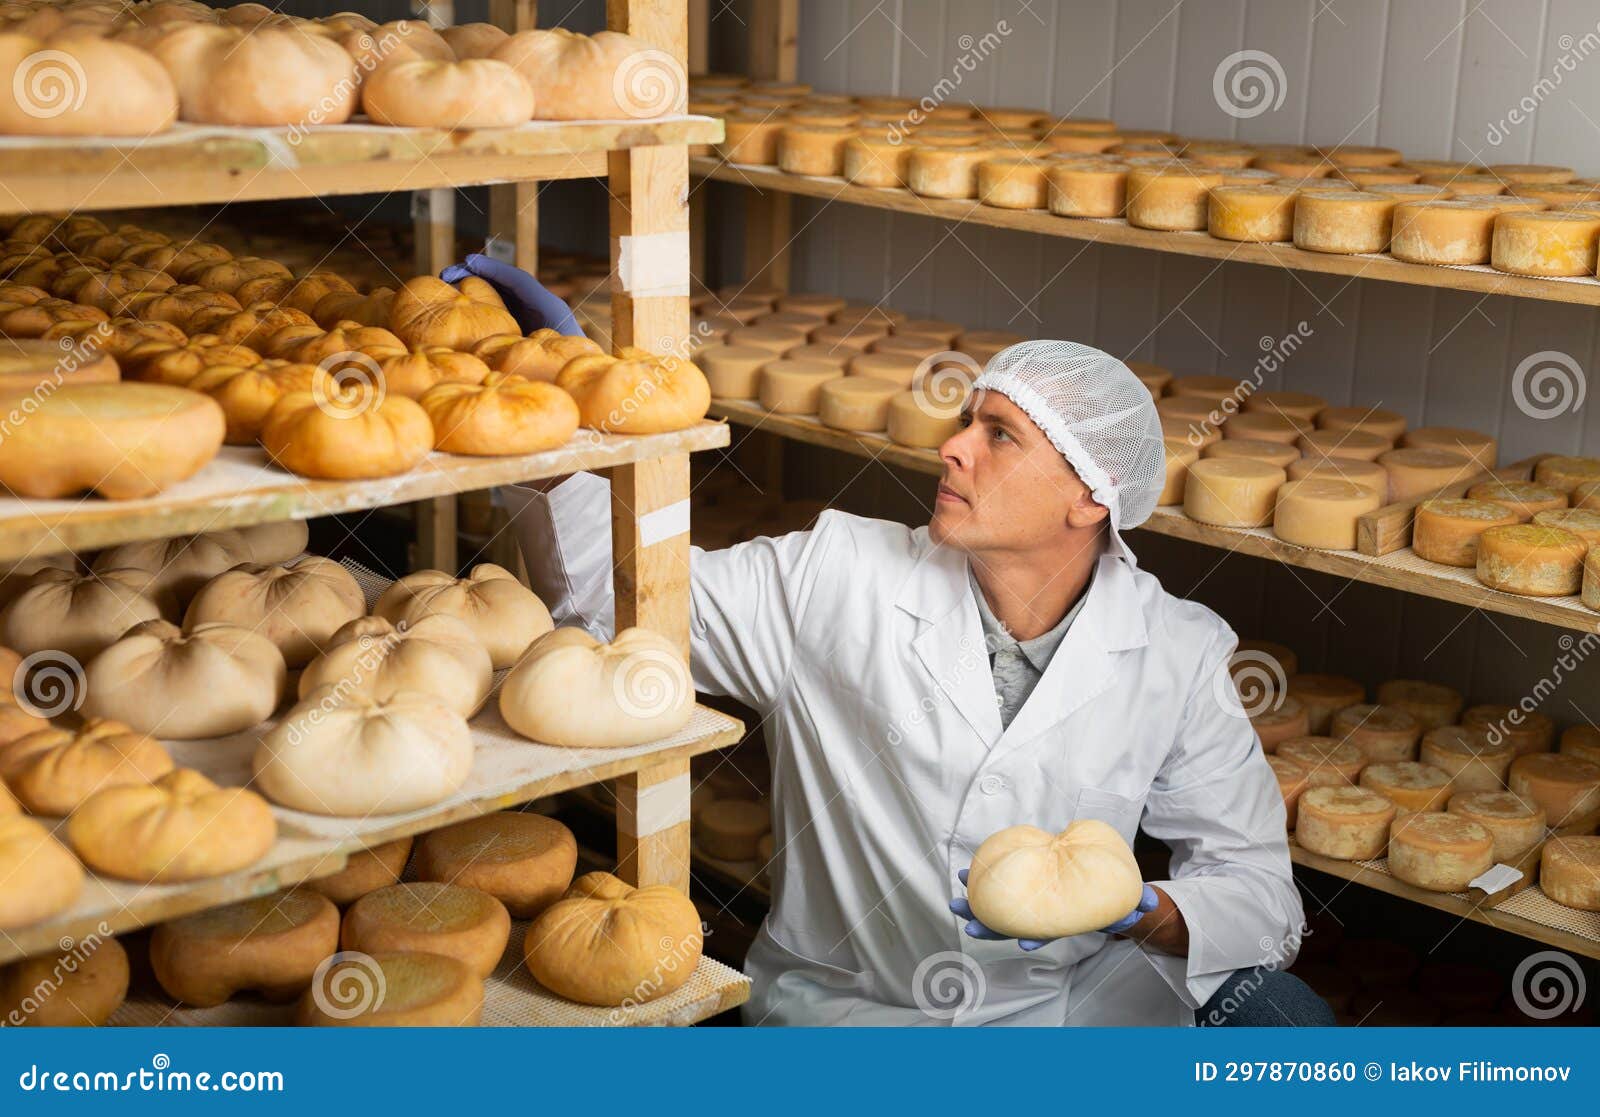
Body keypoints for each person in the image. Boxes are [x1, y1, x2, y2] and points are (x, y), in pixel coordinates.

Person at [449, 255, 1331, 1028]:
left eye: (999, 436)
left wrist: (1138, 909)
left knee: (1282, 1017)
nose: (951, 449)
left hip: (1068, 1015)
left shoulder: (1173, 648)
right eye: (965, 422)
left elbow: (1261, 899)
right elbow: (610, 604)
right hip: (856, 1012)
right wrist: (563, 415)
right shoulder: (835, 575)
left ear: (1089, 497)